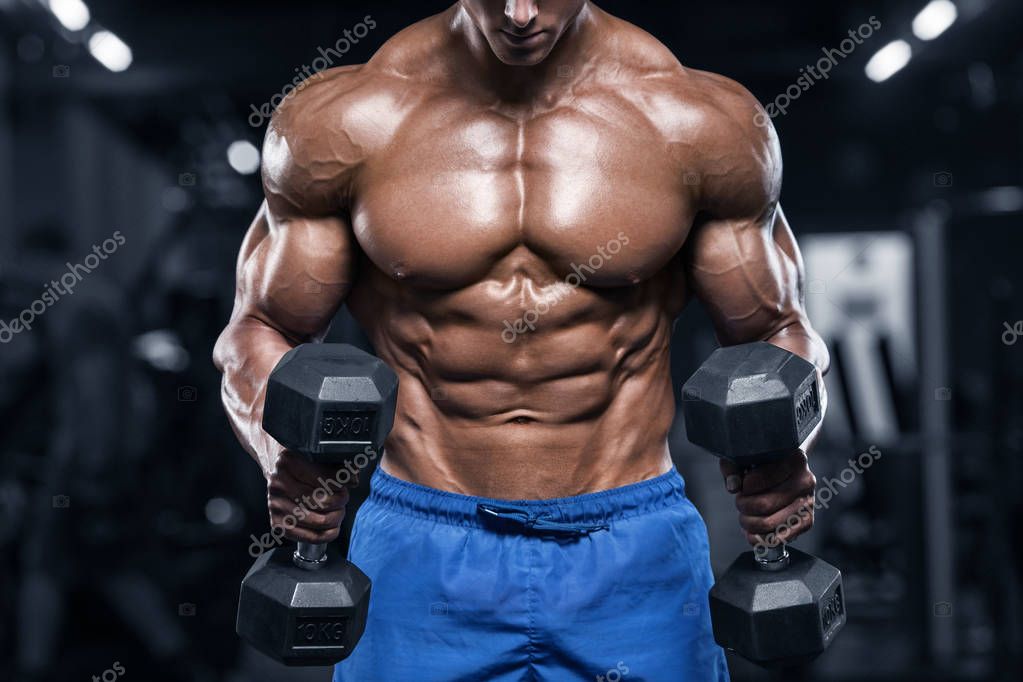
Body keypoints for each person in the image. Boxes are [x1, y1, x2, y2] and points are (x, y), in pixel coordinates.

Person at [214, 2, 828, 679]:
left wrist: (782, 452)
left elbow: (774, 332)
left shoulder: (695, 120)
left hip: (631, 545)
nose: (519, 13)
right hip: (421, 545)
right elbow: (262, 327)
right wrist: (281, 454)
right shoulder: (347, 120)